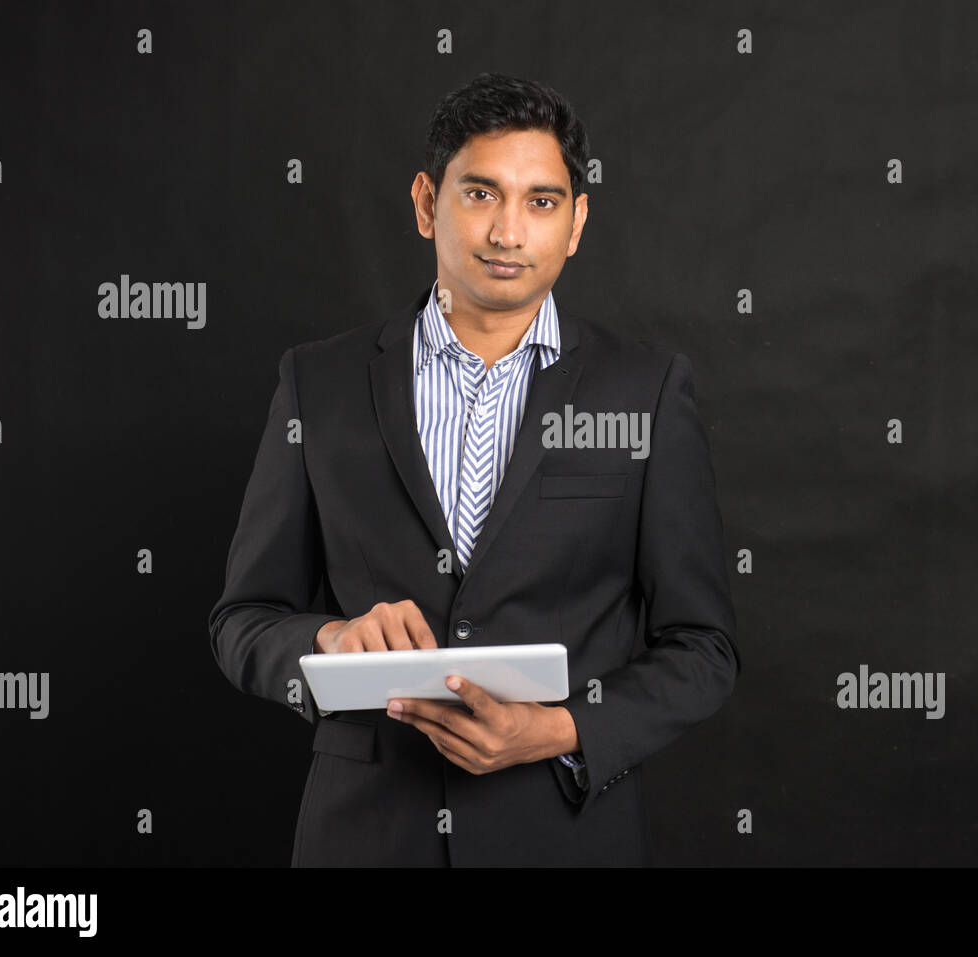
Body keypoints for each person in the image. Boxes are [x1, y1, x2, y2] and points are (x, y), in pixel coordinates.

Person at [208, 72, 740, 866]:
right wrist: (331, 636)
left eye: (542, 201)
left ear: (576, 222)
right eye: (481, 194)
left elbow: (704, 647)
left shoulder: (648, 391)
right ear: (427, 202)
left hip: (563, 837)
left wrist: (560, 729)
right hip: (365, 835)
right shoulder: (318, 383)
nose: (508, 231)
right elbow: (241, 620)